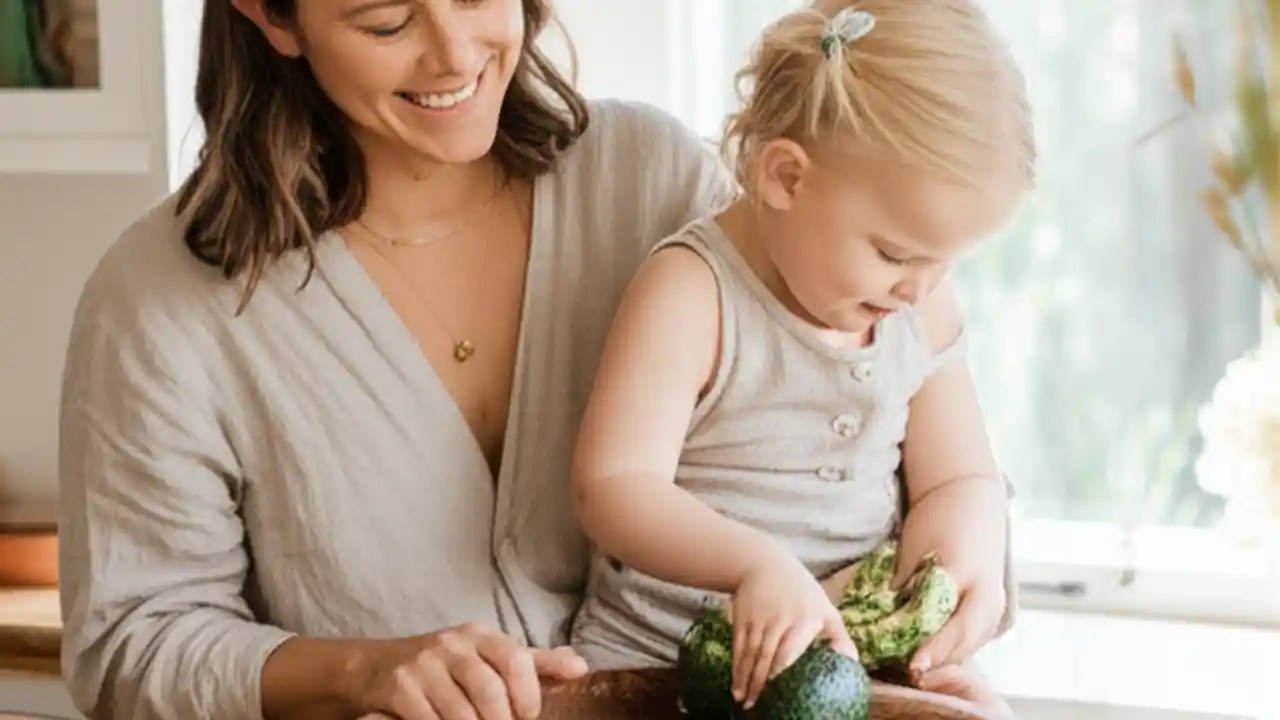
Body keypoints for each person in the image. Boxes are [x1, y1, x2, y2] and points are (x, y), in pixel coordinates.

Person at [56, 2, 1014, 720]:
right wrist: (363, 669)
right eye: (387, 20)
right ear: (273, 14)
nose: (455, 52)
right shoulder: (161, 302)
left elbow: (883, 429)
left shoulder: (655, 179)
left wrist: (963, 566)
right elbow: (132, 649)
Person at [570, 0, 1033, 712]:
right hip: (661, 672)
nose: (918, 288)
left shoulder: (920, 307)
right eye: (894, 254)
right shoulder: (694, 293)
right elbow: (613, 487)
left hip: (844, 671)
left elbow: (959, 476)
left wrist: (963, 564)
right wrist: (756, 565)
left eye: (943, 263)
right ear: (787, 178)